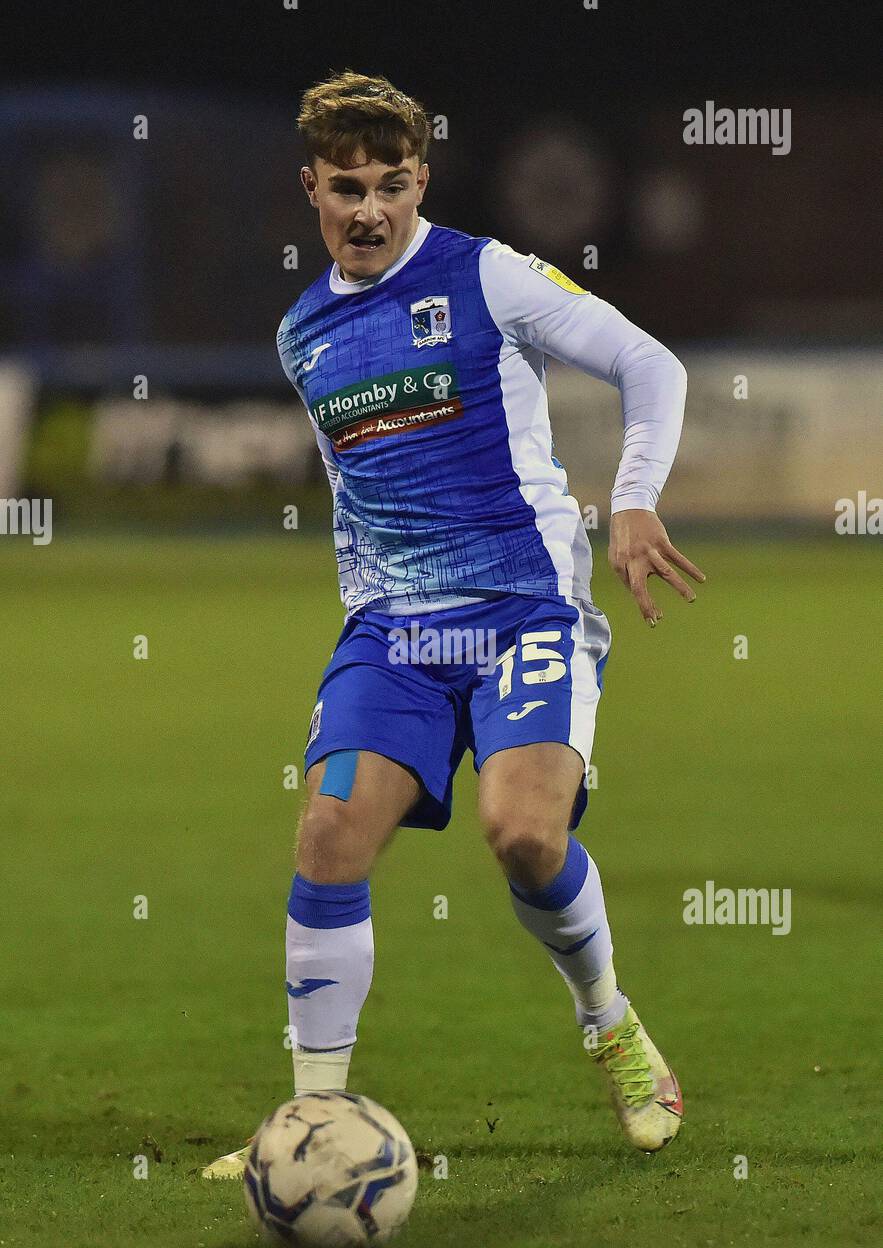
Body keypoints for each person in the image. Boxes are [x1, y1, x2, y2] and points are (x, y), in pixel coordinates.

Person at [203, 69, 704, 1180]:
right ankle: (312, 1120)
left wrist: (631, 500)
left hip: (523, 608)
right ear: (312, 190)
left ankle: (611, 1025)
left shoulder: (485, 274)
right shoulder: (302, 333)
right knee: (329, 836)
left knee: (524, 835)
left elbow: (647, 363)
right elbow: (357, 495)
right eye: (347, 189)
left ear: (420, 181)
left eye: (391, 185)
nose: (369, 210)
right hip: (393, 632)